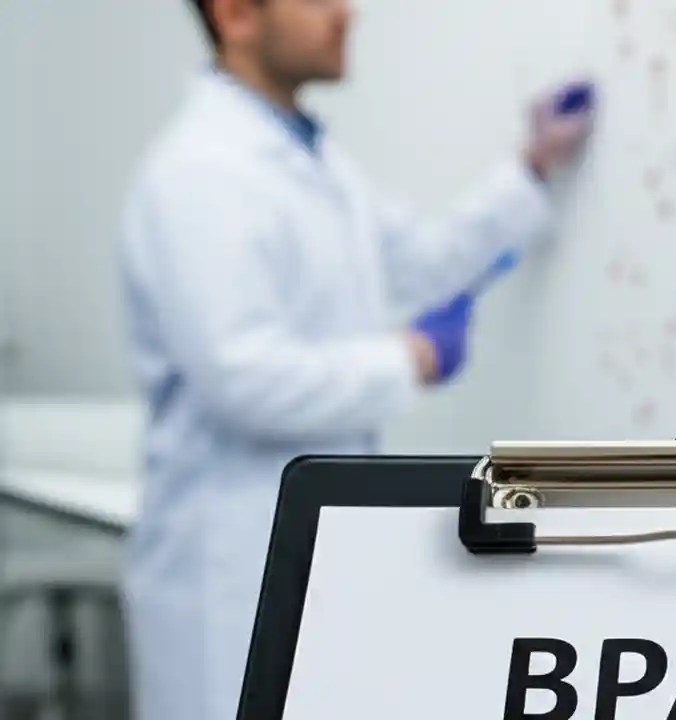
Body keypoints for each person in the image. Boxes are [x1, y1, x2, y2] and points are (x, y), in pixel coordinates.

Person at [117, 1, 594, 718]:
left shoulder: (314, 161)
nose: (347, 11)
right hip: (227, 570)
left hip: (307, 552)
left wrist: (531, 167)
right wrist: (411, 361)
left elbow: (422, 264)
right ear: (237, 14)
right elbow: (244, 379)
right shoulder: (199, 173)